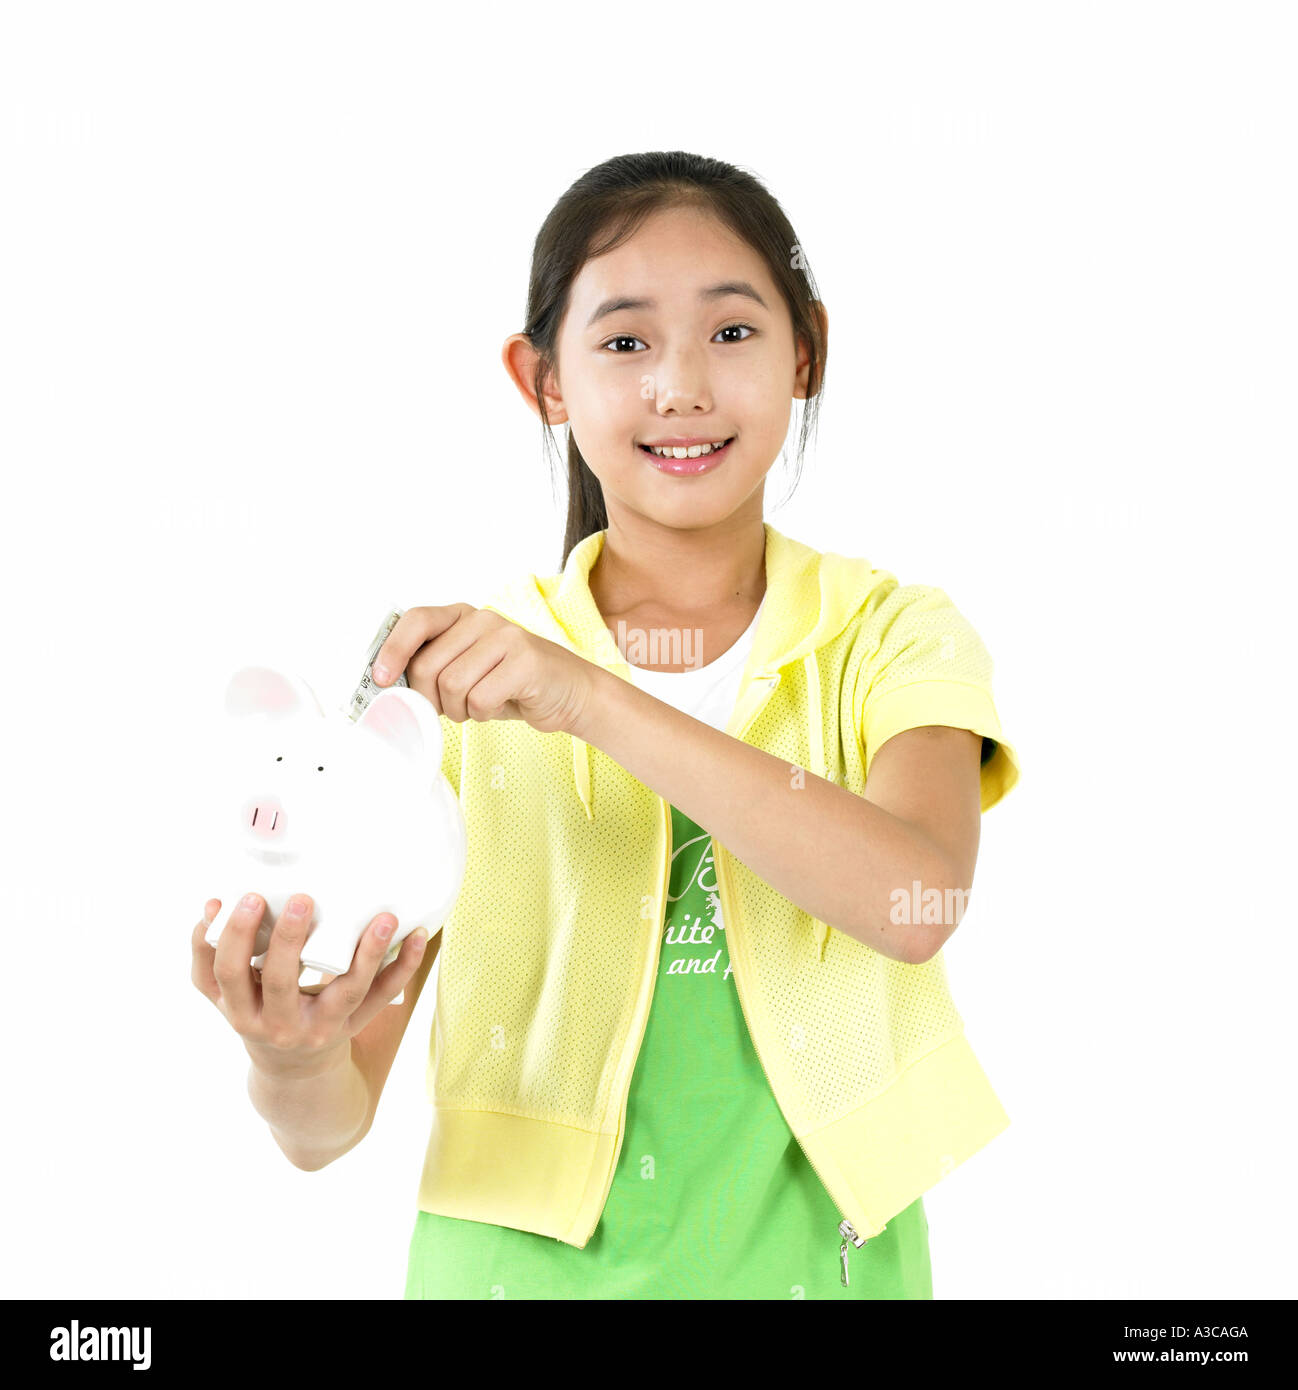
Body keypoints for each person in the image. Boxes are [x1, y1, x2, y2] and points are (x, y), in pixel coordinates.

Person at [192, 150, 1021, 1300]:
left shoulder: (894, 637)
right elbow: (326, 1128)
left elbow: (909, 903)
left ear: (807, 353)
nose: (678, 385)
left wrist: (589, 698)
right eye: (623, 342)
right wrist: (288, 1055)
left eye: (731, 333)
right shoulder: (456, 690)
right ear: (543, 381)